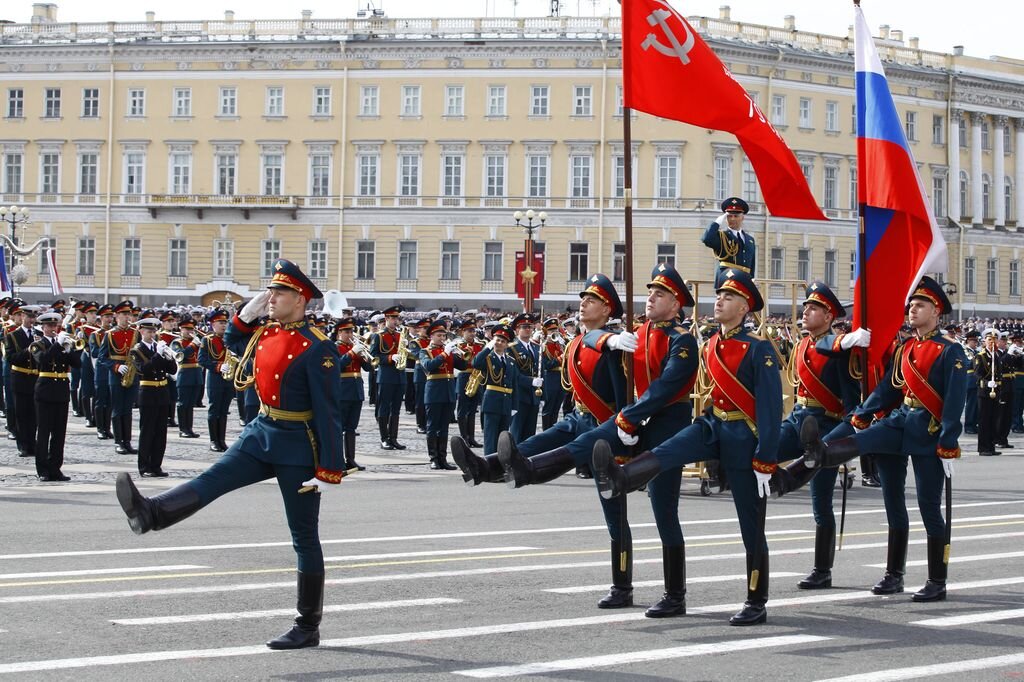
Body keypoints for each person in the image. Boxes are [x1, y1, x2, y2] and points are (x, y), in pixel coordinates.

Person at [116, 258, 345, 649]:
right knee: (213, 479)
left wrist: (329, 468)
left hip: (297, 447)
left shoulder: (318, 348)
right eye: (270, 291)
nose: (271, 298)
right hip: (262, 432)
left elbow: (329, 412)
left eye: (280, 293)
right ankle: (152, 513)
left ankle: (307, 625)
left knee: (303, 537)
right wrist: (251, 310)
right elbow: (233, 340)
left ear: (302, 299)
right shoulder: (268, 332)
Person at [592, 269, 781, 625]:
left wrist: (766, 458)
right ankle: (622, 477)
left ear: (744, 308)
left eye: (728, 297)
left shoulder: (760, 349)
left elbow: (770, 409)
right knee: (668, 450)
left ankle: (756, 599)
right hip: (713, 425)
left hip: (743, 435)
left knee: (750, 525)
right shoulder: (709, 344)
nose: (720, 300)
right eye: (719, 295)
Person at [509, 265, 700, 617]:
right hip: (636, 419)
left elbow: (665, 387)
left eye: (660, 294)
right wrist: (611, 339)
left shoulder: (682, 340)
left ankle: (675, 594)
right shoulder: (639, 332)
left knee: (664, 512)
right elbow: (594, 338)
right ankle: (622, 586)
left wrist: (630, 415)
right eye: (650, 292)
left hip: (665, 425)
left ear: (676, 304)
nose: (651, 298)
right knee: (604, 478)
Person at [799, 276, 967, 603]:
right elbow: (889, 388)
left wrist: (949, 440)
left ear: (936, 310)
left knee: (928, 507)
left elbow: (955, 401)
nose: (912, 310)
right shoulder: (905, 348)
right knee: (873, 451)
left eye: (920, 305)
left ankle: (937, 579)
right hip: (901, 420)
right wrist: (864, 411)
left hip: (928, 431)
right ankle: (823, 452)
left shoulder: (951, 351)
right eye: (911, 306)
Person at [771, 282, 868, 589]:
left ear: (828, 317)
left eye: (813, 309)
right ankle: (778, 480)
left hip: (826, 425)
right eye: (806, 307)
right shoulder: (800, 346)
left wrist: (837, 442)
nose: (805, 312)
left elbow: (853, 406)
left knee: (821, 500)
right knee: (763, 449)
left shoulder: (841, 351)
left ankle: (822, 570)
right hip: (799, 418)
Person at [30, 311, 81, 481]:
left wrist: (69, 350)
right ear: (43, 327)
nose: (52, 328)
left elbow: (77, 364)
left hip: (61, 391)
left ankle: (55, 468)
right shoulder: (37, 345)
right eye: (49, 326)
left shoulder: (62, 344)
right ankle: (43, 470)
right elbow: (43, 360)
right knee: (44, 432)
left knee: (59, 433)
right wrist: (58, 345)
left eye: (54, 325)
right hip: (45, 390)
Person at [131, 317, 178, 477]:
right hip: (148, 393)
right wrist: (158, 355)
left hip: (162, 393)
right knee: (147, 431)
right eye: (148, 331)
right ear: (141, 331)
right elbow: (144, 369)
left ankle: (156, 465)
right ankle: (144, 467)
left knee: (160, 432)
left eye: (153, 331)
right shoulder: (136, 350)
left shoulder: (159, 348)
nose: (151, 333)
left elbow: (172, 370)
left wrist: (169, 357)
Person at [419, 320, 469, 470]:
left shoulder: (448, 351)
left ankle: (443, 458)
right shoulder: (425, 351)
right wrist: (445, 353)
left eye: (444, 335)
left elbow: (463, 365)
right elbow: (428, 367)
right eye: (439, 335)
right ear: (431, 336)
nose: (442, 338)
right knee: (432, 426)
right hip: (434, 392)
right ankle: (433, 458)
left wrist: (461, 353)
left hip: (448, 392)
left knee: (444, 427)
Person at [97, 300, 140, 455]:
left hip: (132, 374)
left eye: (128, 314)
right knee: (117, 409)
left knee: (127, 410)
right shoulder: (109, 334)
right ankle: (118, 441)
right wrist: (116, 367)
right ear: (116, 316)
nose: (126, 317)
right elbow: (102, 358)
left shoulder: (135, 333)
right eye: (123, 314)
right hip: (116, 376)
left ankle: (127, 441)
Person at [2, 301, 38, 457]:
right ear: (22, 316)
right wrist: (28, 350)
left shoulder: (39, 334)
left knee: (34, 414)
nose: (31, 320)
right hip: (20, 377)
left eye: (33, 317)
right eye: (29, 316)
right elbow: (10, 358)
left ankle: (33, 443)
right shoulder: (12, 335)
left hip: (36, 379)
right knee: (21, 414)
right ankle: (23, 445)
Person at [333, 316, 369, 471]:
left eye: (351, 331)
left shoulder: (355, 347)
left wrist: (364, 356)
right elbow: (337, 367)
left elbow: (368, 368)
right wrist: (351, 354)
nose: (349, 335)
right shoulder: (334, 347)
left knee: (351, 428)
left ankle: (351, 459)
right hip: (342, 390)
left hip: (356, 390)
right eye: (346, 332)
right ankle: (337, 460)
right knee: (339, 427)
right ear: (338, 333)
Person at [370, 306, 407, 450]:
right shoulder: (378, 336)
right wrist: (391, 357)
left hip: (400, 376)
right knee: (384, 407)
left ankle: (393, 438)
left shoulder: (399, 335)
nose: (395, 321)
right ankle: (384, 438)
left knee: (396, 409)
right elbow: (374, 357)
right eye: (393, 318)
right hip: (386, 376)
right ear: (386, 319)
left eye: (397, 318)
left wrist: (405, 349)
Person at [197, 309, 232, 452]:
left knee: (224, 410)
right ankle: (213, 440)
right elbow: (202, 360)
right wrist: (218, 366)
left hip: (228, 377)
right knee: (214, 409)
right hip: (215, 378)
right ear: (212, 324)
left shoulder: (230, 339)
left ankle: (222, 440)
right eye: (220, 323)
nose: (223, 326)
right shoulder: (208, 340)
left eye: (225, 322)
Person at [507, 314, 543, 444]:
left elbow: (540, 371)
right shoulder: (511, 348)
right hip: (519, 395)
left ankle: (526, 459)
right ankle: (513, 460)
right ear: (517, 330)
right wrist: (531, 381)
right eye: (524, 327)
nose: (528, 329)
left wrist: (542, 396)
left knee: (529, 433)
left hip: (534, 396)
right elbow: (513, 374)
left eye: (530, 327)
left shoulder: (536, 347)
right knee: (517, 432)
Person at [701, 197, 756, 279]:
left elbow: (752, 264)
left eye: (736, 216)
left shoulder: (750, 240)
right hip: (727, 278)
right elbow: (706, 239)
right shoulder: (721, 236)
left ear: (742, 217)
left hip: (745, 279)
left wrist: (751, 279)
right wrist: (717, 222)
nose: (732, 219)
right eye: (729, 216)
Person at [170, 316, 203, 439]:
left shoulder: (197, 341)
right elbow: (180, 356)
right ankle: (183, 429)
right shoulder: (177, 342)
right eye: (187, 329)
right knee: (183, 403)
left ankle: (189, 428)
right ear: (181, 329)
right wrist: (193, 345)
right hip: (184, 374)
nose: (190, 332)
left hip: (196, 374)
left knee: (191, 404)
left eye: (192, 329)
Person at [454, 318, 484, 448]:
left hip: (477, 376)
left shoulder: (480, 344)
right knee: (462, 408)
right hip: (464, 375)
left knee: (473, 409)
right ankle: (464, 437)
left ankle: (471, 437)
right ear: (462, 332)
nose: (472, 333)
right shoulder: (458, 345)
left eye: (473, 331)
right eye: (469, 331)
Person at [974, 328, 1003, 456]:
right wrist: (986, 383)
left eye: (994, 340)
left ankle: (991, 446)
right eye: (989, 340)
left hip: (995, 391)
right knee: (984, 420)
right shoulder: (980, 356)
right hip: (985, 392)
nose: (992, 342)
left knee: (993, 419)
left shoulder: (996, 355)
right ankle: (983, 447)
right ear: (984, 341)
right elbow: (977, 374)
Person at [539, 318, 566, 431]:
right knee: (549, 407)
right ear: (546, 332)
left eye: (555, 329)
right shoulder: (544, 347)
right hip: (550, 378)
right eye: (551, 330)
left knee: (556, 407)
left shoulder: (560, 345)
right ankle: (546, 430)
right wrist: (560, 359)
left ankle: (552, 430)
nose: (554, 332)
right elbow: (546, 365)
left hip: (561, 377)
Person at [962, 329, 980, 434]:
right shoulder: (965, 351)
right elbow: (969, 363)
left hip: (977, 379)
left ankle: (974, 424)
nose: (975, 343)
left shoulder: (976, 352)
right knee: (971, 404)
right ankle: (968, 425)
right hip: (970, 379)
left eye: (976, 341)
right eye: (973, 341)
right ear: (968, 341)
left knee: (977, 405)